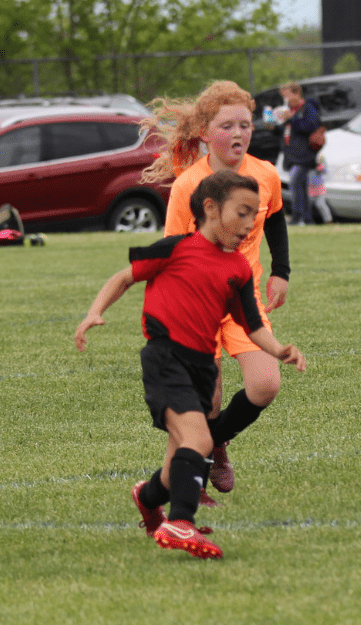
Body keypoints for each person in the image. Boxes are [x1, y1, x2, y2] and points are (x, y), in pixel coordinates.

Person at [74, 171, 307, 560]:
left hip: (202, 368)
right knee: (200, 442)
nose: (249, 225)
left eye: (254, 216)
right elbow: (124, 277)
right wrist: (94, 312)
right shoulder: (175, 249)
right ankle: (181, 522)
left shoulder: (238, 268)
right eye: (242, 213)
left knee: (174, 469)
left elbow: (251, 325)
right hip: (166, 358)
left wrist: (279, 350)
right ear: (211, 209)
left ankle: (148, 499)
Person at [143, 80, 293, 502]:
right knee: (204, 402)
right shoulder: (189, 186)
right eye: (227, 126)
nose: (238, 134)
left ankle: (216, 441)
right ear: (205, 133)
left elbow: (275, 217)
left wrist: (280, 271)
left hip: (244, 302)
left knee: (265, 384)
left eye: (245, 125)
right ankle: (195, 474)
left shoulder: (264, 174)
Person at [279, 81, 322, 226]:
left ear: (297, 94)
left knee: (295, 182)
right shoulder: (291, 111)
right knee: (301, 186)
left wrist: (292, 119)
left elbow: (310, 126)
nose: (285, 100)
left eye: (287, 96)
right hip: (293, 155)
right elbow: (287, 132)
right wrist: (275, 126)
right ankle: (307, 218)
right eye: (283, 97)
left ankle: (297, 217)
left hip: (304, 155)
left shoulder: (308, 108)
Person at [308, 154, 335, 225]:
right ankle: (306, 221)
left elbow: (326, 170)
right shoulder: (306, 155)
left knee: (320, 204)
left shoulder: (321, 156)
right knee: (306, 205)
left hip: (319, 185)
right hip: (308, 185)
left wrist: (320, 165)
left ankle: (328, 221)